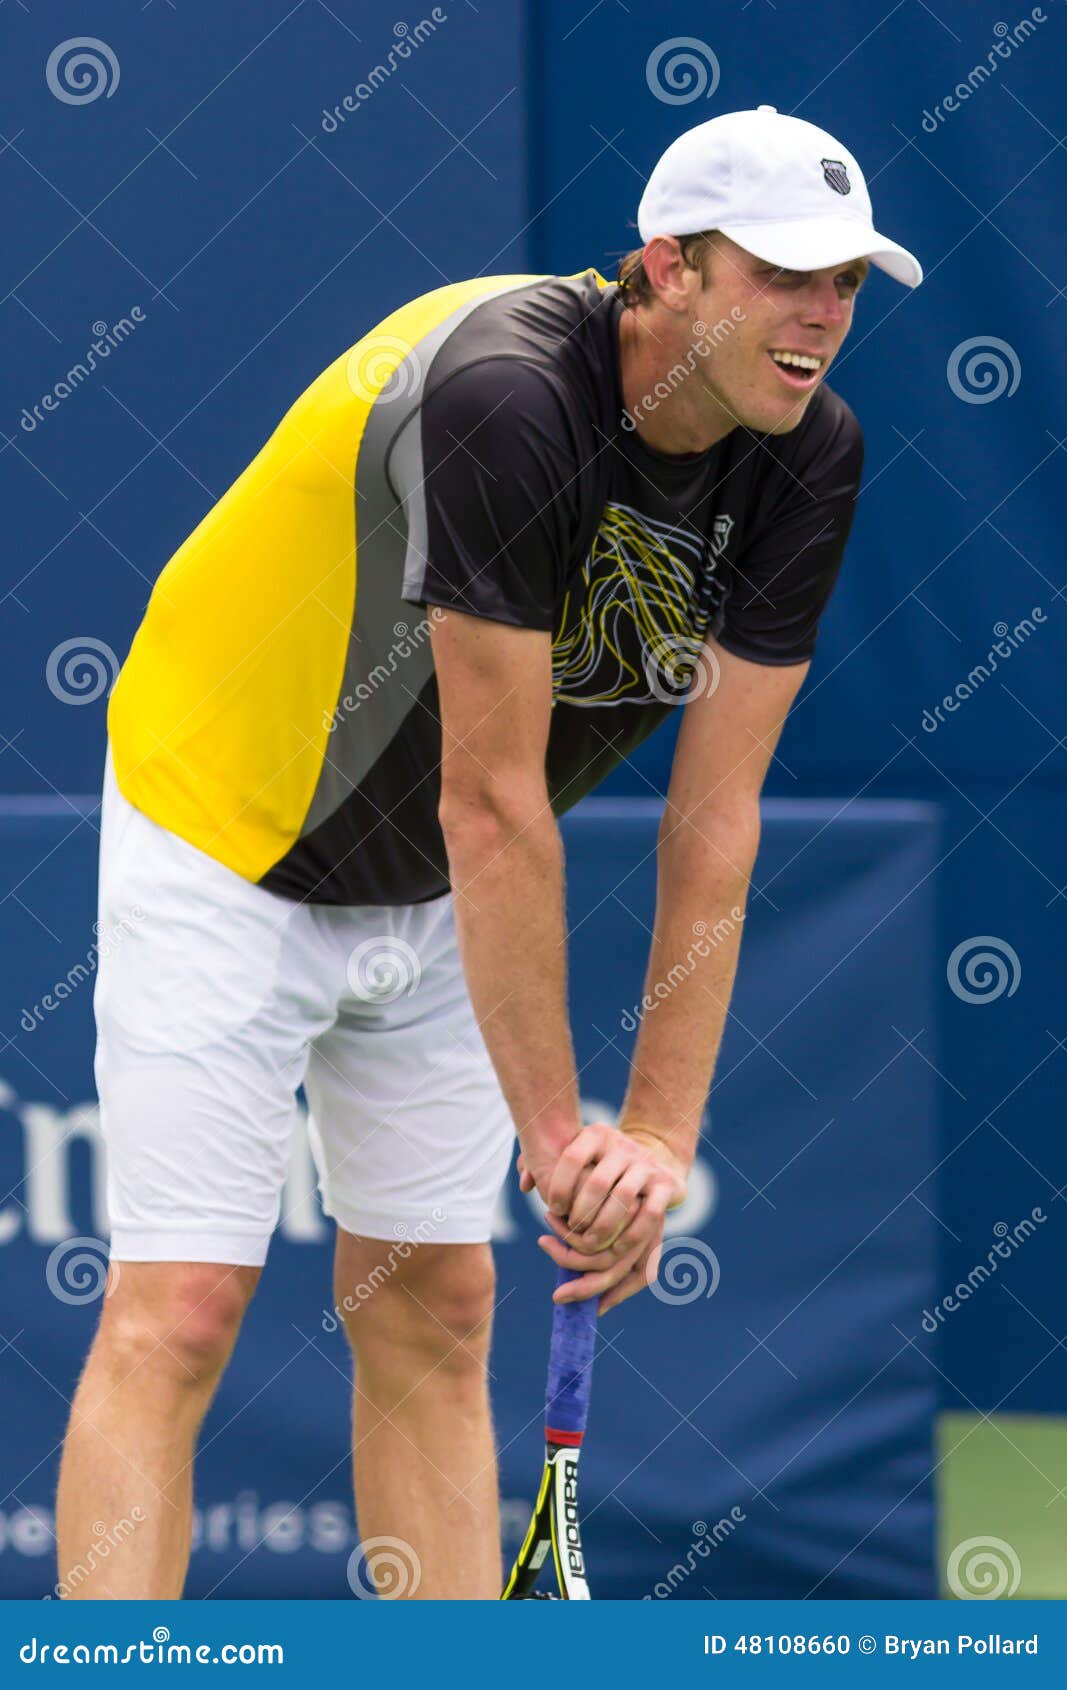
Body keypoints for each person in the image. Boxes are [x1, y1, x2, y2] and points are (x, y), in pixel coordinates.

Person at [55, 105, 922, 1599]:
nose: (824, 316)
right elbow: (494, 799)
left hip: (432, 877)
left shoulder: (806, 454)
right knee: (183, 1306)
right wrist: (555, 1135)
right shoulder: (510, 393)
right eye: (787, 273)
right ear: (669, 268)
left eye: (847, 281)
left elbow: (716, 817)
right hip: (223, 833)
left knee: (442, 1307)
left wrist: (651, 1134)